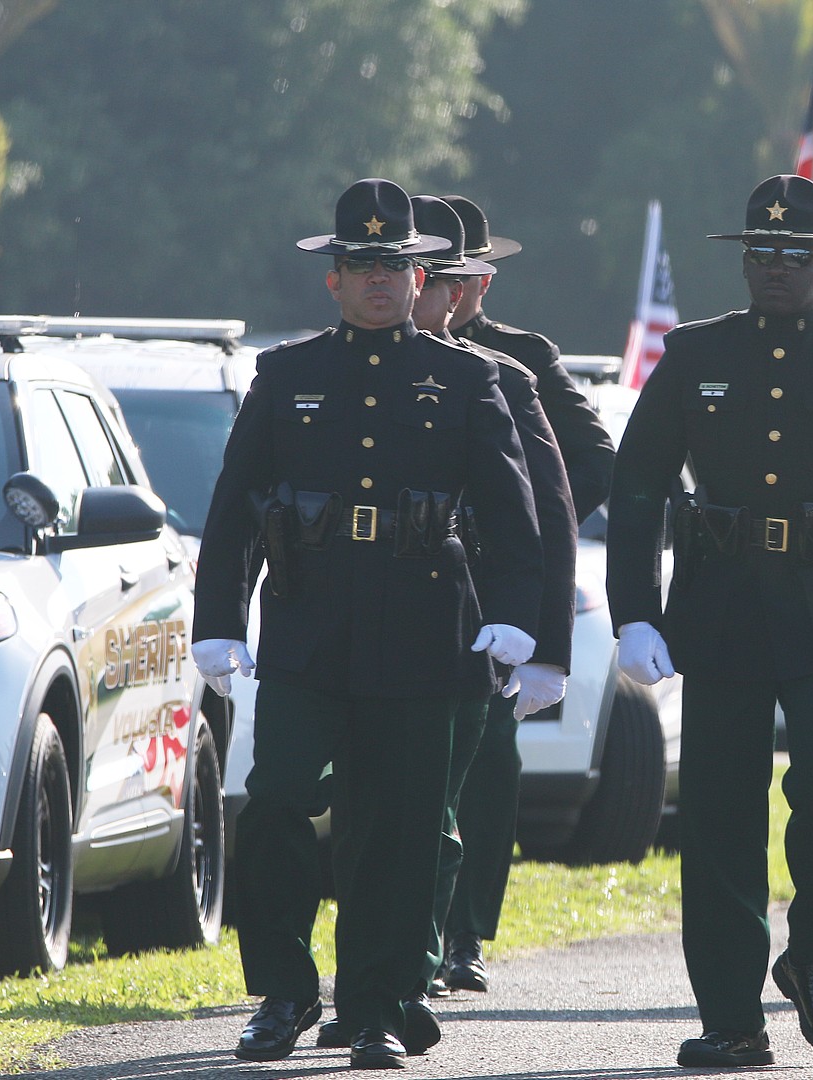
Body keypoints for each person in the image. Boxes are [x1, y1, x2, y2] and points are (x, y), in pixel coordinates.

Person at [190, 178, 543, 1070]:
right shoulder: (290, 374)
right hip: (312, 623)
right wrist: (220, 618)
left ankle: (379, 1002)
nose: (380, 280)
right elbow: (234, 509)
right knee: (276, 800)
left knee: (403, 824)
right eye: (362, 265)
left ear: (422, 276)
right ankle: (282, 991)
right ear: (333, 280)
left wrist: (515, 620)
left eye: (396, 264)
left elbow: (512, 512)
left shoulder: (467, 378)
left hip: (428, 629)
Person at [605, 174, 813, 1069]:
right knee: (718, 820)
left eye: (795, 255)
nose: (777, 269)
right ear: (746, 261)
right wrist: (633, 613)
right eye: (763, 254)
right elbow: (635, 491)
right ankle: (730, 1019)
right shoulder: (696, 354)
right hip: (720, 611)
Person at [309, 194, 579, 1051]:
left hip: (465, 622)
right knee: (373, 811)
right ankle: (391, 981)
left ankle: (413, 970)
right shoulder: (346, 365)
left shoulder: (502, 369)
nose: (439, 297)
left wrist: (527, 614)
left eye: (445, 280)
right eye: (428, 279)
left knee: (436, 809)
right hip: (361, 625)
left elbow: (555, 506)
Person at [438, 193, 618, 994]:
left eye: (463, 273)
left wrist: (524, 526)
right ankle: (406, 930)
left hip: (489, 578)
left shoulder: (520, 359)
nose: (450, 287)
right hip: (405, 573)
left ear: (483, 280)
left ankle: (466, 931)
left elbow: (591, 459)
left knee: (483, 762)